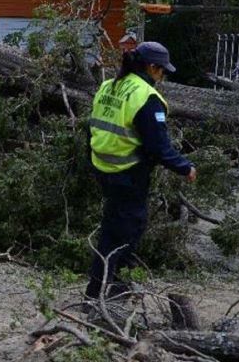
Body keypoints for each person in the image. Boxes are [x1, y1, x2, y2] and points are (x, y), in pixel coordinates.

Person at [85, 41, 196, 301]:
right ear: (151, 67)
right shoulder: (145, 97)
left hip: (103, 165)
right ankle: (111, 291)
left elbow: (91, 127)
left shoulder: (109, 86)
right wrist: (185, 167)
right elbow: (158, 146)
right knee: (126, 232)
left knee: (112, 228)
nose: (163, 77)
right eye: (162, 71)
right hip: (128, 171)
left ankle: (100, 289)